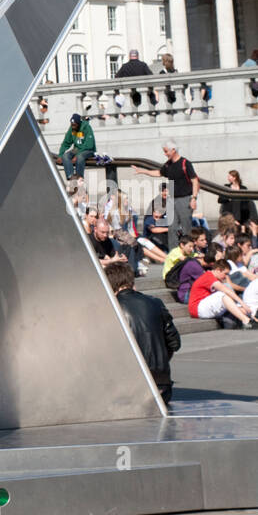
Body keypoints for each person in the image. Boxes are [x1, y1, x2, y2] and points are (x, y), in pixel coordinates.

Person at [105, 264, 181, 403]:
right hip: (161, 384)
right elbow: (175, 343)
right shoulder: (156, 303)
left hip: (126, 386)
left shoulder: (110, 308)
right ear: (131, 281)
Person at [132, 143, 199, 232]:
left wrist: (193, 198)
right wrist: (143, 171)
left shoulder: (185, 163)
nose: (165, 154)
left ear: (173, 150)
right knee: (173, 228)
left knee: (186, 226)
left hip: (184, 198)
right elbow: (159, 173)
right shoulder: (168, 165)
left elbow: (195, 181)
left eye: (166, 151)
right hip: (173, 199)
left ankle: (186, 244)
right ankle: (174, 245)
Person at [188, 259, 256, 329]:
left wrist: (242, 307)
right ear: (218, 270)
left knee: (240, 309)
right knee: (222, 295)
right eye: (225, 273)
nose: (226, 276)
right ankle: (246, 321)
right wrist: (242, 303)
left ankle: (253, 320)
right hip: (197, 308)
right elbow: (226, 290)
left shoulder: (215, 278)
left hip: (204, 307)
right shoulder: (209, 276)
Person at [57, 113, 95, 183]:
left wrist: (77, 155)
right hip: (77, 149)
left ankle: (79, 177)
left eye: (74, 125)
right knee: (65, 156)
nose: (73, 127)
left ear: (79, 123)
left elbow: (89, 144)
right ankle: (71, 177)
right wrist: (60, 155)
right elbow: (66, 143)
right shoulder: (72, 128)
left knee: (80, 157)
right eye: (72, 125)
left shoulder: (86, 127)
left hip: (88, 150)